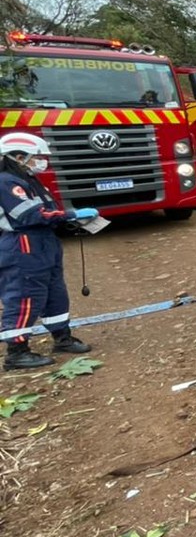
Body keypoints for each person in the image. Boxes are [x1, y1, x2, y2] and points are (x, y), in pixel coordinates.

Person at [0, 133, 97, 371]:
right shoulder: (6, 182)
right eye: (37, 157)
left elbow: (48, 211)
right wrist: (72, 215)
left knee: (55, 293)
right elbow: (29, 215)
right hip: (22, 245)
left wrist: (67, 221)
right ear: (19, 157)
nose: (41, 162)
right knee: (24, 296)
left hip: (44, 244)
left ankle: (62, 338)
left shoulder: (28, 180)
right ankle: (16, 352)